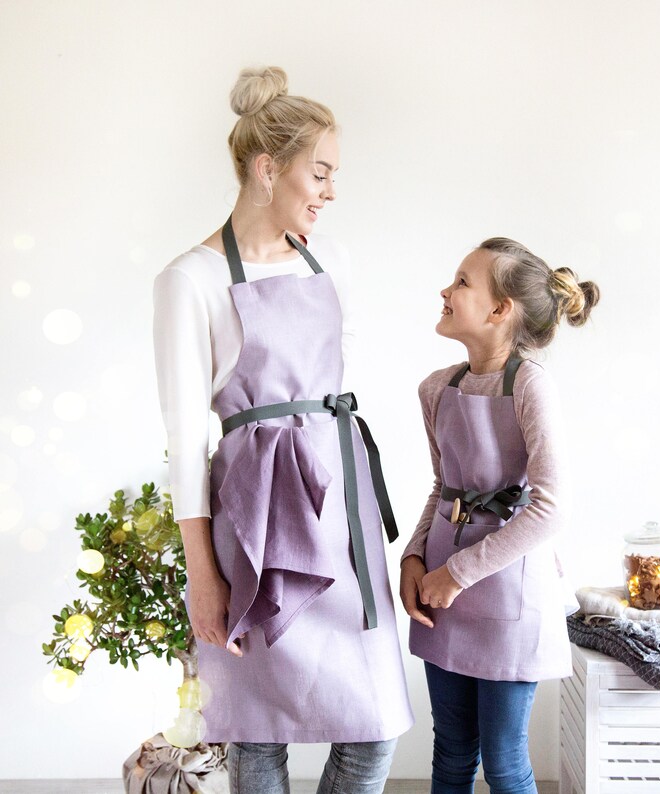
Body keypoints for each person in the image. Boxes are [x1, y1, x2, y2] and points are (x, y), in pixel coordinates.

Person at [153, 66, 413, 794]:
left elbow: (332, 382)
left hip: (340, 511)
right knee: (255, 727)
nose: (331, 192)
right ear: (269, 169)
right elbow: (186, 443)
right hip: (254, 519)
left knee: (373, 726)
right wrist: (202, 575)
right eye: (320, 173)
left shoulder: (334, 261)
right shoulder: (190, 280)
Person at [400, 237, 599, 794]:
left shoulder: (532, 385)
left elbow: (550, 507)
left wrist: (456, 574)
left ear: (499, 309)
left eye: (462, 281)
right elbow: (443, 486)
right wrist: (414, 556)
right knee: (452, 753)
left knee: (505, 760)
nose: (445, 289)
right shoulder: (437, 388)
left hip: (506, 592)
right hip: (439, 591)